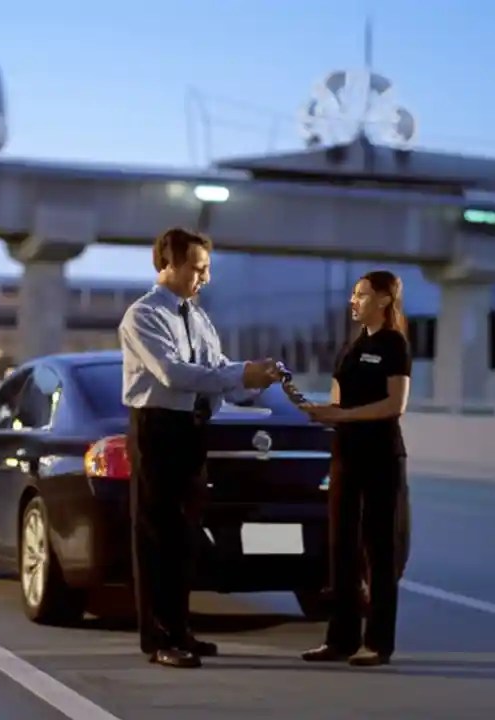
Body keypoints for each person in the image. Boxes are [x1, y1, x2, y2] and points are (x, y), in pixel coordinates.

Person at [118, 226, 282, 669]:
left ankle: (180, 628)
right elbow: (175, 373)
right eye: (197, 268)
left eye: (206, 268)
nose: (204, 277)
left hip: (193, 429)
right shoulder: (144, 315)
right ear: (167, 265)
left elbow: (216, 371)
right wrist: (238, 374)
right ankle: (157, 639)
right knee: (155, 536)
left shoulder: (198, 317)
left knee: (185, 536)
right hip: (158, 428)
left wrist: (253, 376)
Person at [299, 269, 413, 667]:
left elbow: (394, 405)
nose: (354, 300)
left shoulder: (393, 345)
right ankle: (340, 639)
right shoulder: (350, 348)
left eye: (362, 294)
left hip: (381, 457)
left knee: (379, 551)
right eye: (353, 294)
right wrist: (320, 412)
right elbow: (339, 404)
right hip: (345, 456)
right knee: (340, 549)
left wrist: (343, 415)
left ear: (383, 299)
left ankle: (378, 642)